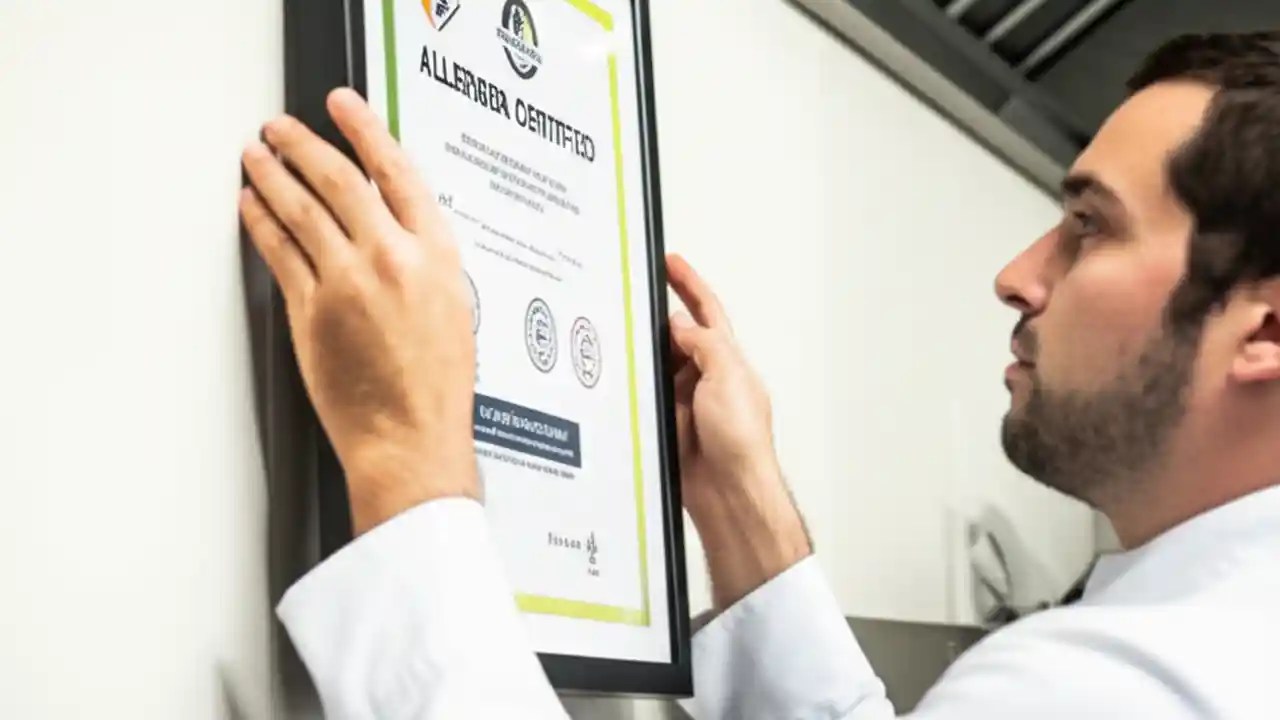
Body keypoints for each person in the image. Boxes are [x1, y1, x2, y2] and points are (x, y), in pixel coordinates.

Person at [239, 30, 1280, 719]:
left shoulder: (1119, 688)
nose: (1015, 276)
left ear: (1263, 327)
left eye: (1087, 227)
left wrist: (405, 454)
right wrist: (743, 518)